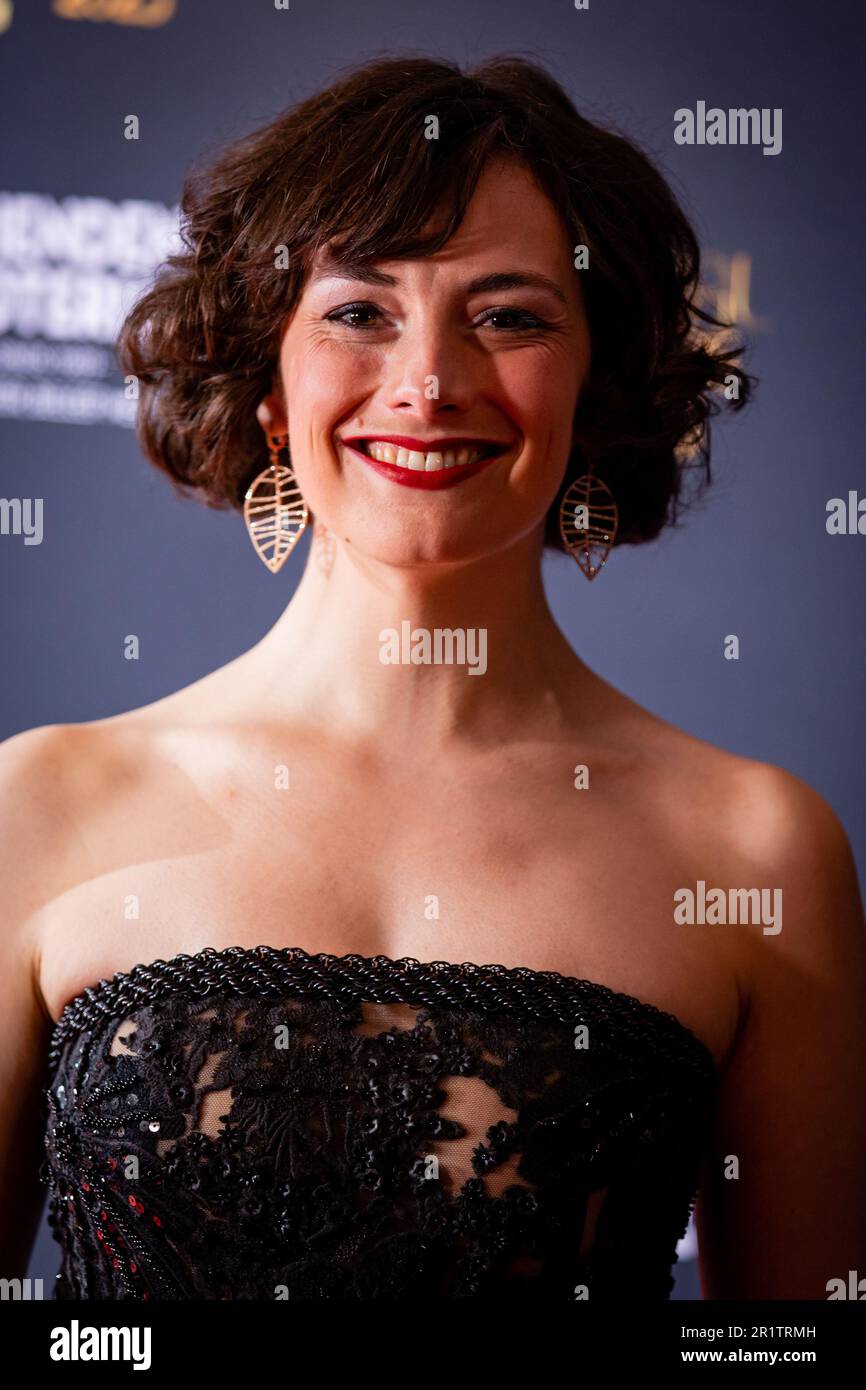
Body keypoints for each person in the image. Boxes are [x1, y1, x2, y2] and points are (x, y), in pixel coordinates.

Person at [1, 55, 863, 1300]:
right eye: (359, 312)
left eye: (509, 315)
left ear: (595, 387)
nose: (428, 382)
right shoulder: (45, 805)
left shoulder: (751, 851)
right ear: (268, 385)